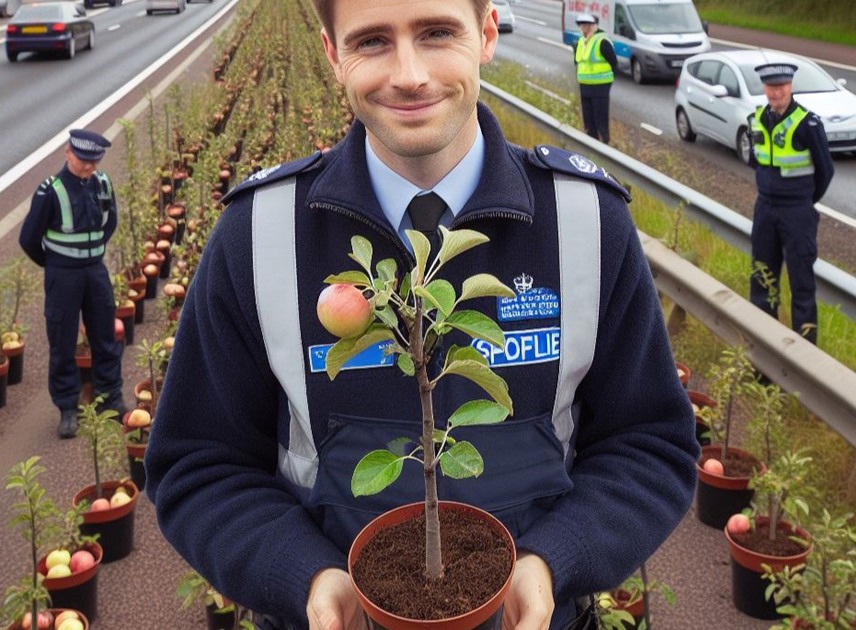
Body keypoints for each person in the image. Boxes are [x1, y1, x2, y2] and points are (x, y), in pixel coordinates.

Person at [144, 2, 699, 629]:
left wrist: (552, 562)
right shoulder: (260, 233)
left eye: (437, 33)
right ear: (332, 54)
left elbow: (649, 442)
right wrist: (306, 576)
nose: (409, 74)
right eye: (372, 41)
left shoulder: (585, 222)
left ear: (487, 34)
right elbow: (198, 462)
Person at [19, 129, 128, 438]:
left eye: (93, 162)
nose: (88, 167)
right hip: (62, 276)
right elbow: (28, 239)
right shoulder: (50, 191)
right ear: (68, 153)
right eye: (82, 160)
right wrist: (55, 264)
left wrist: (89, 253)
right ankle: (68, 407)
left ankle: (110, 395)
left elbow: (111, 222)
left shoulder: (102, 184)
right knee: (62, 342)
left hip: (95, 272)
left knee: (104, 335)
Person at [747, 62, 835, 345]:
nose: (776, 93)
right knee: (762, 282)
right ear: (764, 88)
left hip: (797, 212)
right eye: (771, 87)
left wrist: (803, 202)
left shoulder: (807, 124)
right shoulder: (757, 119)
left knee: (802, 287)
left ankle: (805, 362)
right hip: (765, 210)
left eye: (781, 87)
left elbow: (826, 172)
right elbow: (755, 161)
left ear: (790, 87)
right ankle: (764, 361)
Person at [572, 12, 617, 144]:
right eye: (582, 25)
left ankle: (604, 145)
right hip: (584, 85)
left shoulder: (601, 41)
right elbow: (577, 62)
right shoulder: (580, 42)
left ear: (594, 26)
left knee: (600, 118)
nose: (583, 28)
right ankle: (592, 147)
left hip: (600, 86)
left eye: (586, 25)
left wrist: (605, 77)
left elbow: (613, 62)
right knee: (588, 120)